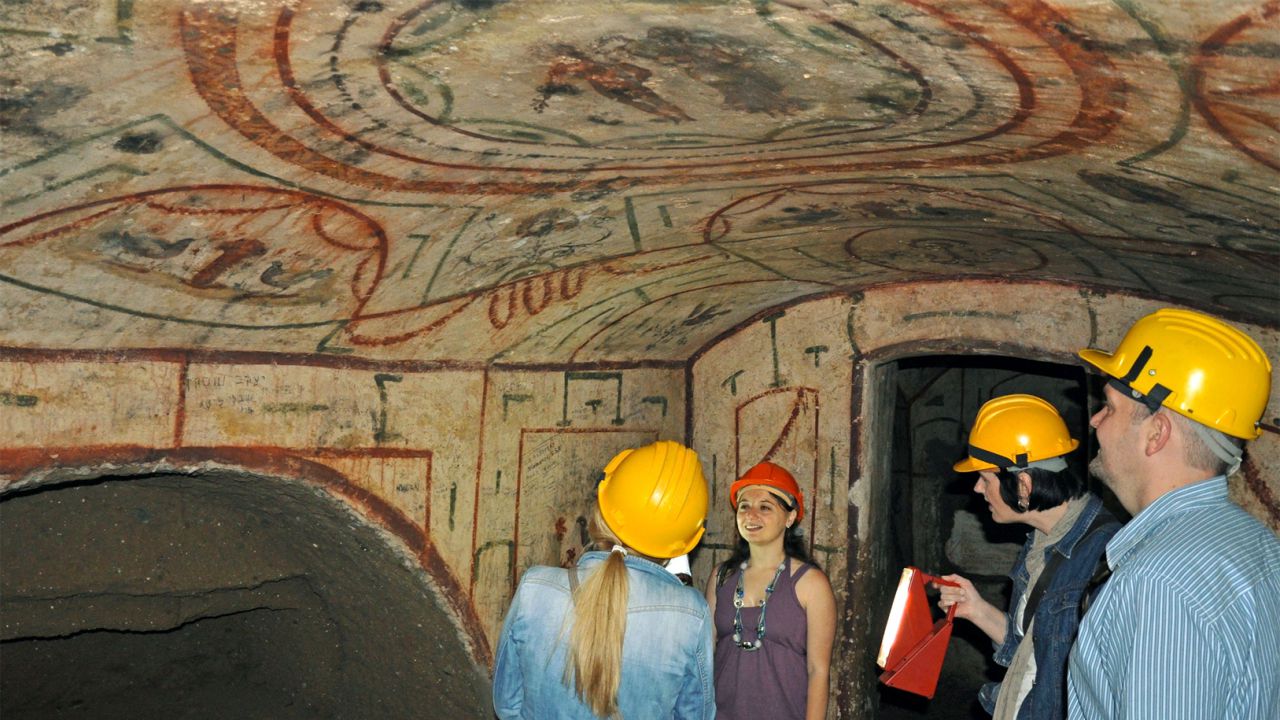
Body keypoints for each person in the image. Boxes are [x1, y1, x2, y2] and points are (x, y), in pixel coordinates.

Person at [1066, 308, 1280, 719]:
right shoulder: (1258, 543)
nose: (1094, 420)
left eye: (1109, 406)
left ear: (1156, 433)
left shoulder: (1160, 584)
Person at [492, 440, 715, 720]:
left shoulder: (535, 588)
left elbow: (507, 705)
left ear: (601, 512)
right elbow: (695, 715)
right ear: (683, 543)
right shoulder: (691, 614)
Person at [937, 394, 1119, 720]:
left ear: (1023, 485)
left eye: (986, 478)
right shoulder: (1041, 542)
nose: (977, 489)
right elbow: (1033, 649)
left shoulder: (1103, 560)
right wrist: (976, 609)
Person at [705, 461, 836, 720]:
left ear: (789, 517)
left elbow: (818, 671)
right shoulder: (722, 576)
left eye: (765, 507)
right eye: (744, 506)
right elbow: (705, 655)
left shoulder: (810, 583)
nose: (751, 515)